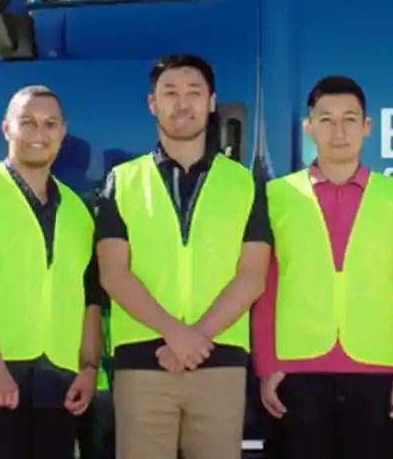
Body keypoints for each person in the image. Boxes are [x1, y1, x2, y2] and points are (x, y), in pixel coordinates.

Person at [95, 54, 273, 459]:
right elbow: (114, 273)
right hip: (143, 362)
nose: (182, 103)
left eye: (194, 93)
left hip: (219, 360)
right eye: (169, 93)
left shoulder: (244, 183)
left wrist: (199, 337)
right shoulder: (122, 180)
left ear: (212, 102)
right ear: (152, 104)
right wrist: (176, 335)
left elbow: (252, 275)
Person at [253, 76, 393, 458]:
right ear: (308, 127)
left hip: (378, 370)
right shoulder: (278, 196)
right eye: (326, 119)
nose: (338, 131)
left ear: (367, 128)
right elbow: (265, 287)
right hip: (297, 370)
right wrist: (267, 365)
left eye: (349, 119)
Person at [0, 85, 103, 459]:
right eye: (27, 123)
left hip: (58, 374)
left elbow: (90, 298)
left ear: (63, 131)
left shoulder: (78, 210)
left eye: (49, 124)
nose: (39, 134)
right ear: (6, 128)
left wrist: (89, 367)